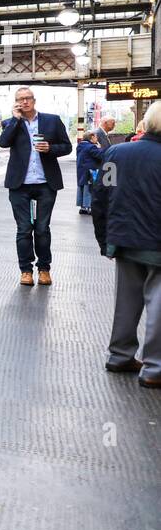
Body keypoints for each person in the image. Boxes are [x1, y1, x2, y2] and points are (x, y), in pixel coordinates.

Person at [99, 101, 161, 388]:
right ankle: (155, 368)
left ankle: (120, 355)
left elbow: (102, 196)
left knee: (126, 300)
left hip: (123, 240)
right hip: (156, 244)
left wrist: (105, 239)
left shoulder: (116, 153)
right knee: (158, 304)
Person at [0, 86, 73, 286]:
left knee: (42, 228)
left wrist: (51, 148)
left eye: (28, 98)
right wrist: (15, 119)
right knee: (23, 229)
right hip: (19, 184)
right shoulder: (10, 123)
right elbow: (3, 143)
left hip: (45, 183)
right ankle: (26, 271)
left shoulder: (52, 120)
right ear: (16, 102)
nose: (24, 102)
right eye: (20, 99)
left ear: (34, 100)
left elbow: (67, 146)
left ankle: (44, 269)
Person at [75, 131, 103, 215]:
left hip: (81, 171)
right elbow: (100, 156)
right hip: (90, 171)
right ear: (91, 137)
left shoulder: (80, 146)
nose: (97, 139)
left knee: (82, 188)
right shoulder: (91, 147)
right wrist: (99, 148)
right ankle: (90, 207)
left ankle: (83, 207)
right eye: (96, 137)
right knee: (89, 189)